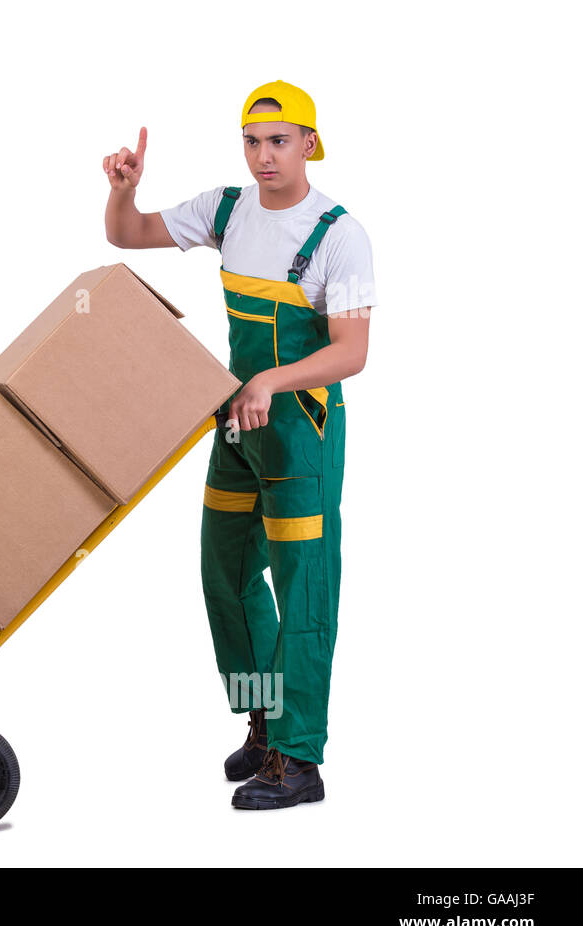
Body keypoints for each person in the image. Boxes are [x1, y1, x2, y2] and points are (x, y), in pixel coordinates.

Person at [101, 80, 375, 809]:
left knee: (304, 591)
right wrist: (124, 192)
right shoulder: (228, 209)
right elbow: (127, 234)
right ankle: (264, 720)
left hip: (300, 433)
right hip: (237, 424)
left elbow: (353, 351)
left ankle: (298, 756)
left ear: (310, 143)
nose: (263, 157)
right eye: (252, 142)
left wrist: (272, 381)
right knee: (226, 574)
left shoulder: (339, 234)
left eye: (279, 141)